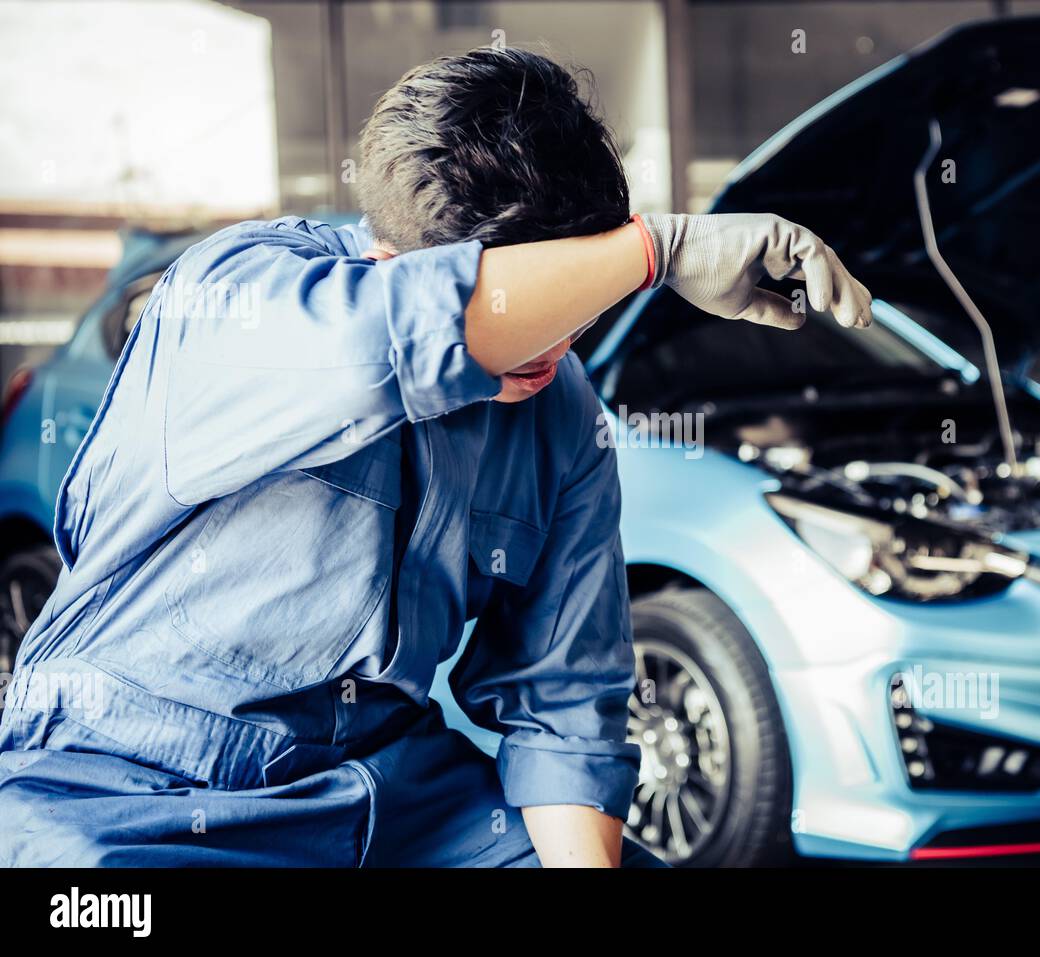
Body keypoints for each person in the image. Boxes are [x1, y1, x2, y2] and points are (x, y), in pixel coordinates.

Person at [0, 48, 871, 867]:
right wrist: (657, 251)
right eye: (537, 313)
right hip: (120, 776)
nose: (551, 350)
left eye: (578, 312)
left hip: (389, 794)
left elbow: (563, 707)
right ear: (389, 261)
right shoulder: (232, 294)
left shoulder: (564, 414)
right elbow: (389, 338)